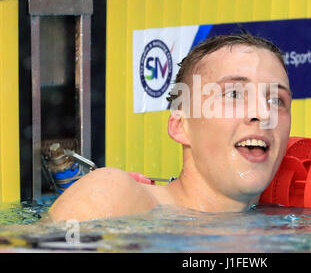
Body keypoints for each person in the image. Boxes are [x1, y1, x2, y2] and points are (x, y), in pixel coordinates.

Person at [49, 34, 292, 222]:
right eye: (235, 94)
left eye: (276, 100)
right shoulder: (117, 198)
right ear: (181, 127)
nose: (263, 114)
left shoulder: (293, 222)